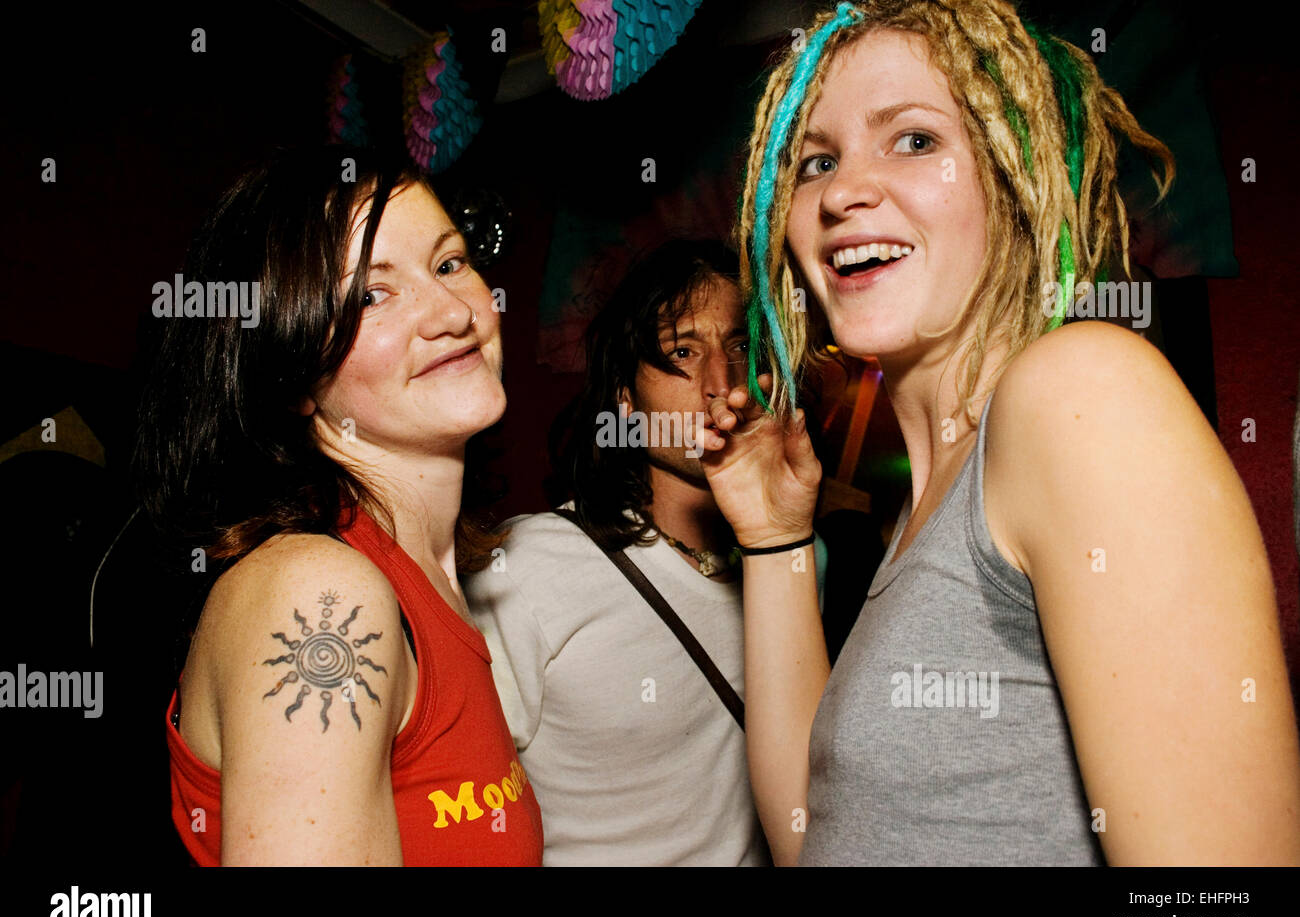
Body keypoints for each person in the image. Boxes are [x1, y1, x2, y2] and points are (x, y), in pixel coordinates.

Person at [693, 0, 1300, 865]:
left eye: (912, 139)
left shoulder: (1079, 393)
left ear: (1011, 181)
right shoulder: (922, 505)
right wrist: (773, 538)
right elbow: (817, 832)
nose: (842, 192)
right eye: (816, 161)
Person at [134, 147, 543, 865]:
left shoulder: (431, 585)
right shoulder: (319, 593)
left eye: (449, 264)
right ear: (291, 372)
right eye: (370, 296)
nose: (452, 312)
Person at [464, 240, 776, 865]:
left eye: (739, 347)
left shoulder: (790, 565)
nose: (721, 383)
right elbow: (459, 802)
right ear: (626, 404)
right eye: (682, 352)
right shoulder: (531, 566)